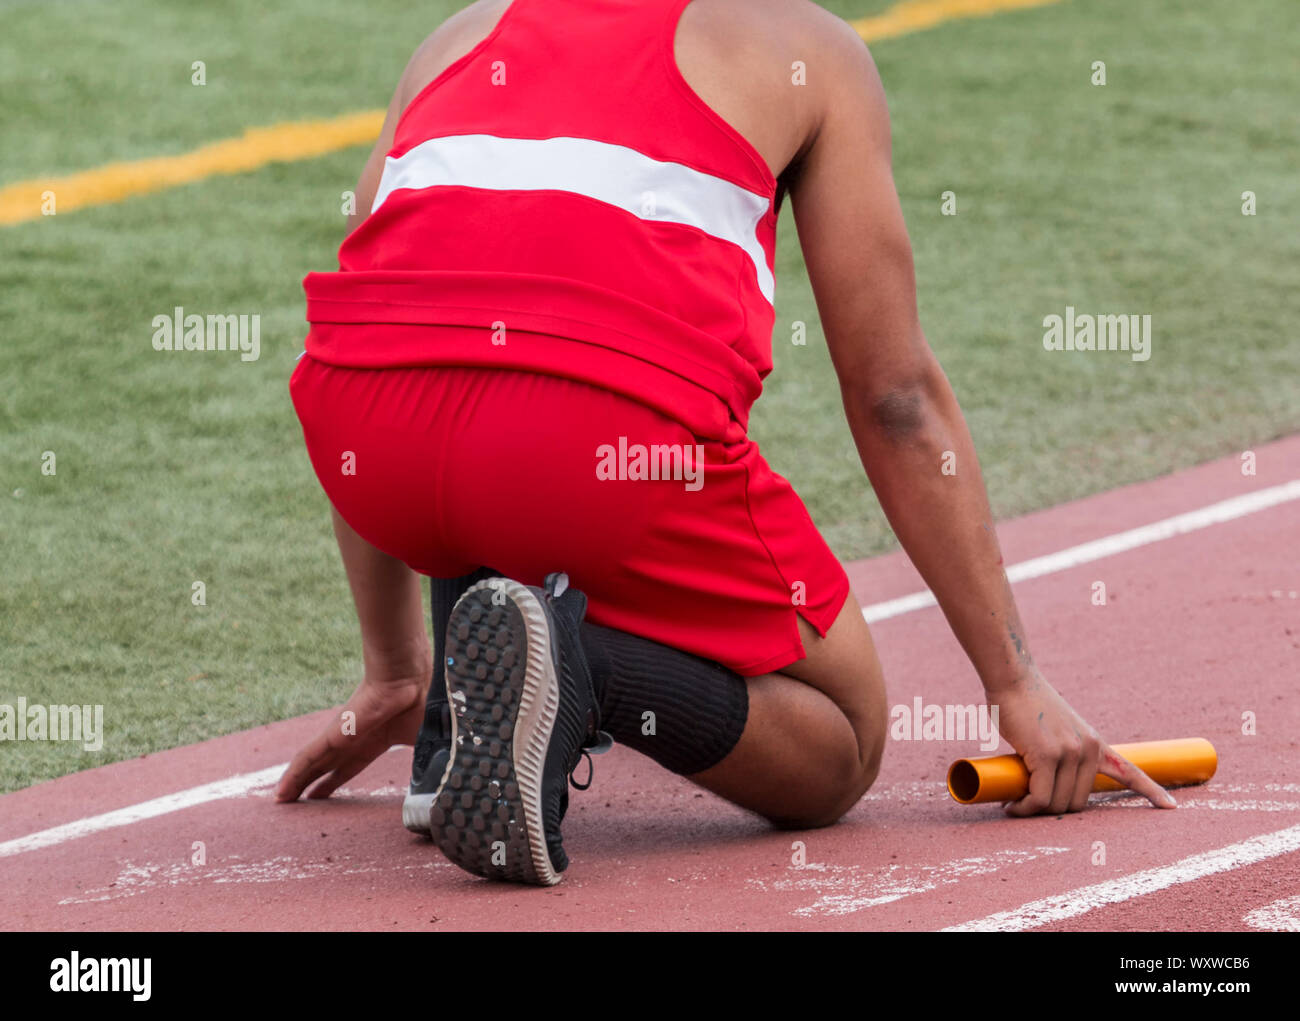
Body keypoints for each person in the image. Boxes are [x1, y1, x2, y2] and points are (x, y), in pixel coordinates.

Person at [275, 0, 1175, 886]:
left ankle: (451, 725)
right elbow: (894, 396)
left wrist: (396, 671)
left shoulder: (460, 35)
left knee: (469, 357)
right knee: (846, 741)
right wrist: (1013, 682)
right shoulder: (806, 47)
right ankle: (577, 664)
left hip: (363, 430)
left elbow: (373, 309)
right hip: (592, 451)